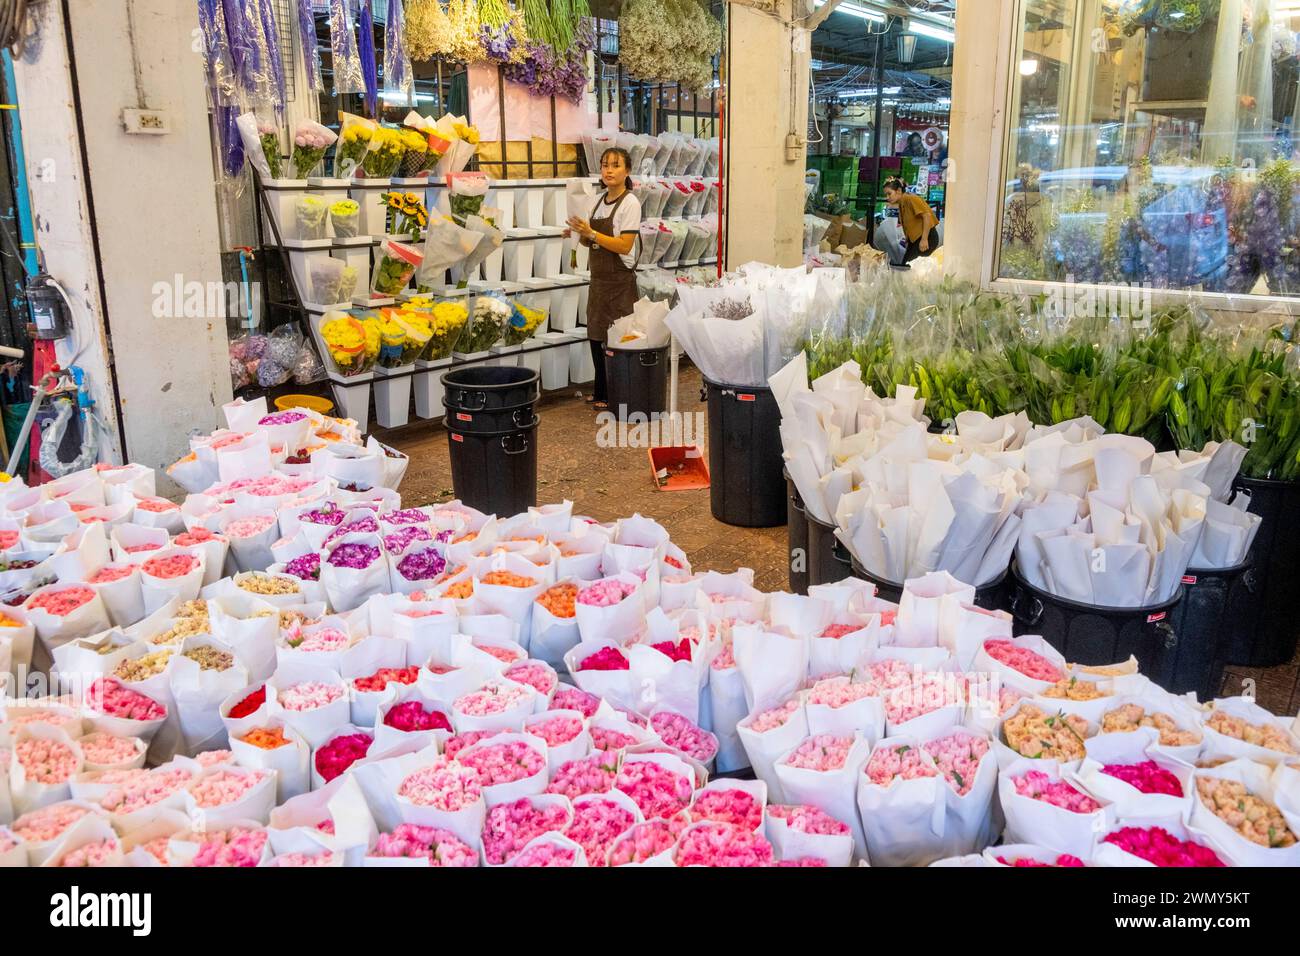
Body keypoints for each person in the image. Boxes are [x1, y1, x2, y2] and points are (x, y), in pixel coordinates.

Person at [565, 147, 641, 410]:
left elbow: (624, 246)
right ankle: (601, 392)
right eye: (605, 165)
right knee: (596, 336)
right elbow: (594, 244)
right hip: (599, 281)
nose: (608, 170)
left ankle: (616, 394)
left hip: (620, 283)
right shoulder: (598, 201)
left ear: (627, 171)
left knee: (617, 340)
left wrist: (592, 234)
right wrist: (579, 235)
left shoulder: (630, 203)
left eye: (615, 165)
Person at [883, 176, 940, 265]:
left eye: (889, 194)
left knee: (910, 268)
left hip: (927, 237)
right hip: (916, 240)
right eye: (886, 194)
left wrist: (924, 239)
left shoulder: (911, 199)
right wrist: (907, 240)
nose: (887, 197)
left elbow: (927, 216)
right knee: (906, 267)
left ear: (898, 191)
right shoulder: (902, 202)